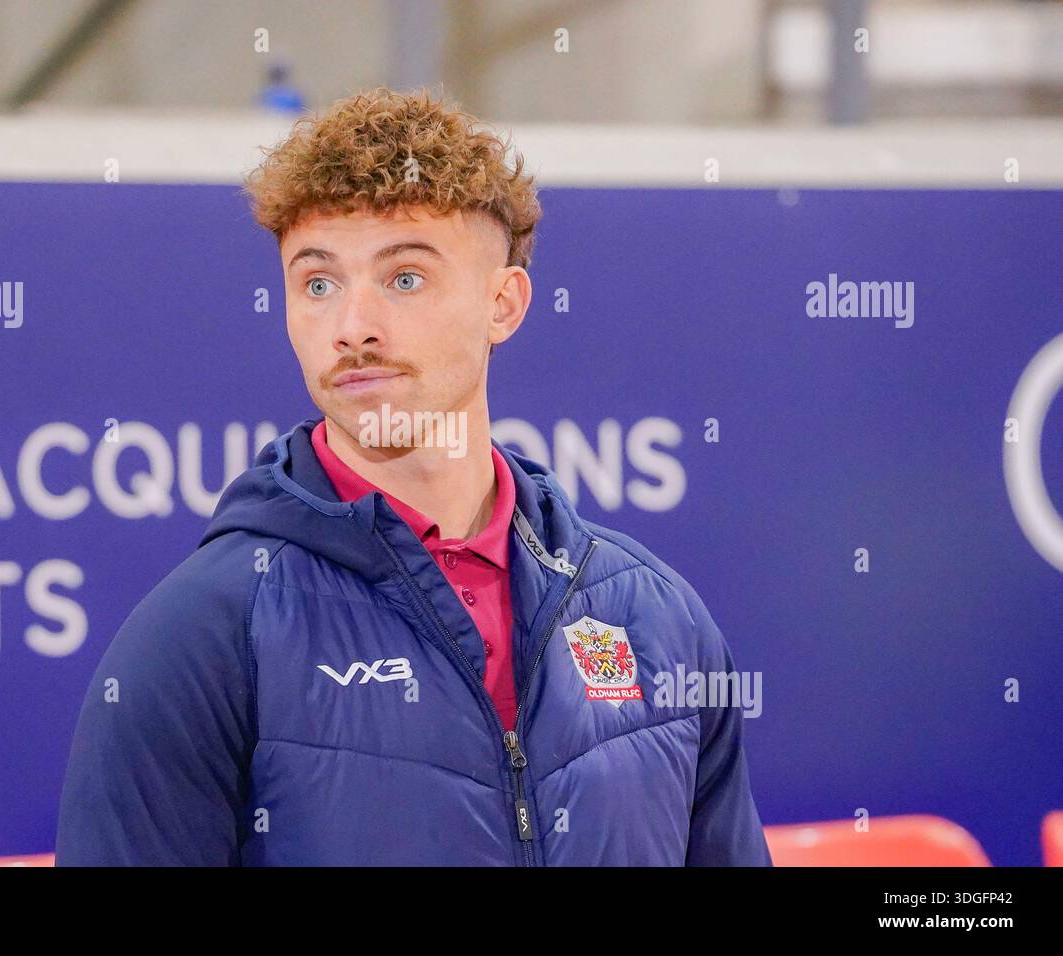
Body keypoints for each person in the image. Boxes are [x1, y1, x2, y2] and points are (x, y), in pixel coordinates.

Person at [55, 85, 772, 866]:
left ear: (504, 303)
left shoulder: (659, 620)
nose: (353, 327)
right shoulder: (200, 635)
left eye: (404, 277)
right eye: (318, 283)